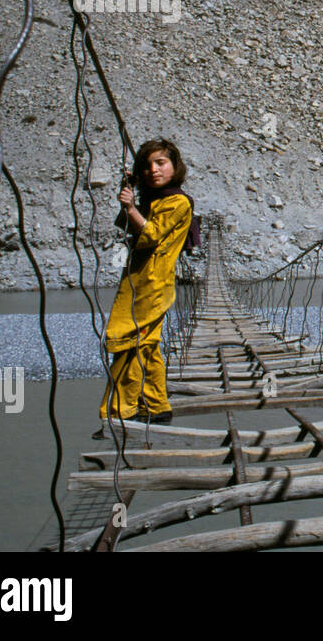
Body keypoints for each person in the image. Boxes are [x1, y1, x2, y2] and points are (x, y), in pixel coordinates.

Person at [93, 138, 196, 439]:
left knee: (125, 341)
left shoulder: (177, 202)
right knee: (146, 345)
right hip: (145, 283)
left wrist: (129, 205)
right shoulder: (155, 200)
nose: (153, 170)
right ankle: (156, 404)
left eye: (161, 163)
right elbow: (128, 226)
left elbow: (150, 235)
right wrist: (132, 196)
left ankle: (118, 414)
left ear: (175, 166)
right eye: (147, 166)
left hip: (149, 286)